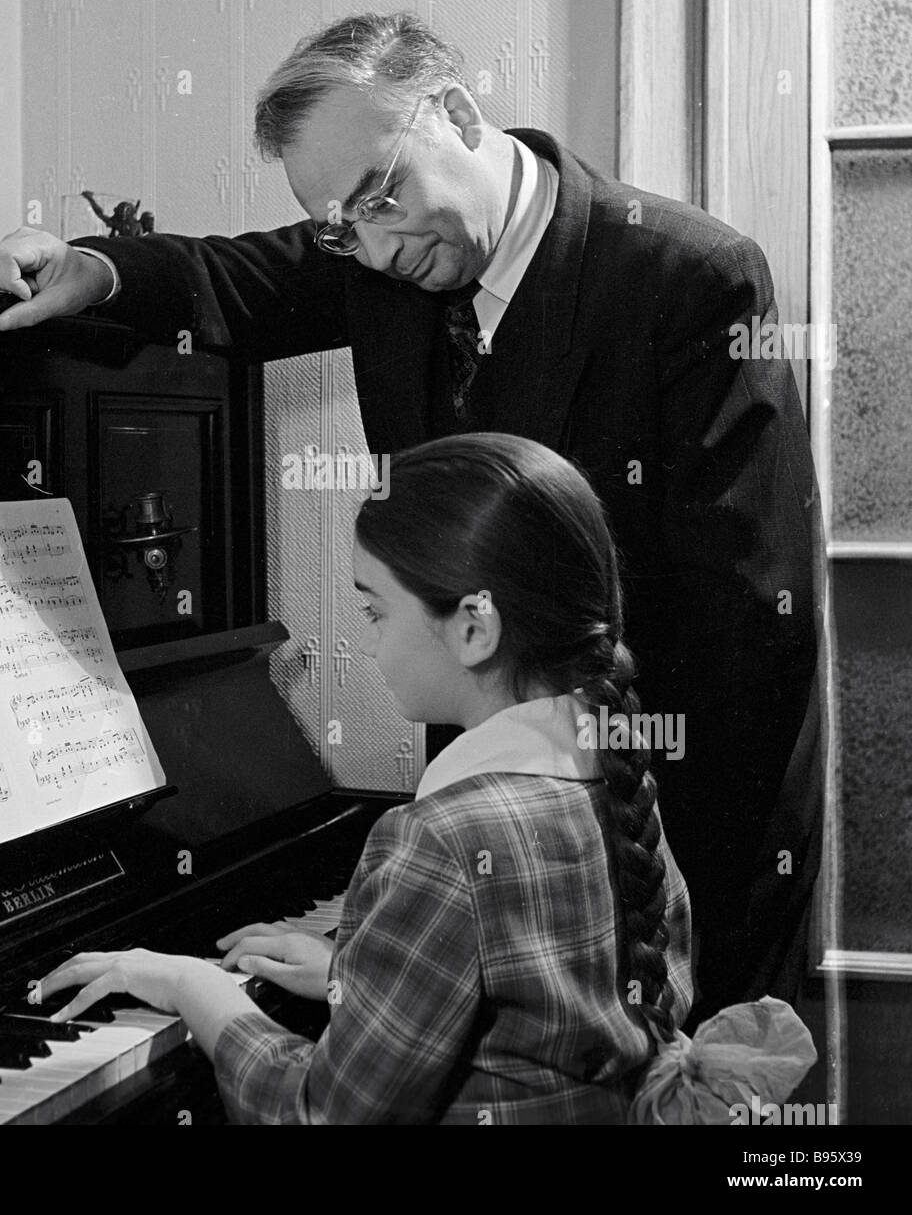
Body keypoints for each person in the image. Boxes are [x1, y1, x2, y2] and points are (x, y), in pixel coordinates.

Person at [0, 12, 823, 1022]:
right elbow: (235, 278)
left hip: (682, 834)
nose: (373, 249)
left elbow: (750, 627)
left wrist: (584, 884)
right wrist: (95, 264)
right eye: (341, 227)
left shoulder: (689, 277)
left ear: (459, 112)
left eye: (382, 195)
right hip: (488, 819)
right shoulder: (378, 250)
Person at [34, 434, 696, 1124]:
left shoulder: (439, 837)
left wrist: (191, 984)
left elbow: (319, 1115)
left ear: (474, 628)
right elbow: (532, 1008)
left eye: (376, 612)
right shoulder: (612, 775)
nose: (370, 641)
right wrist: (353, 978)